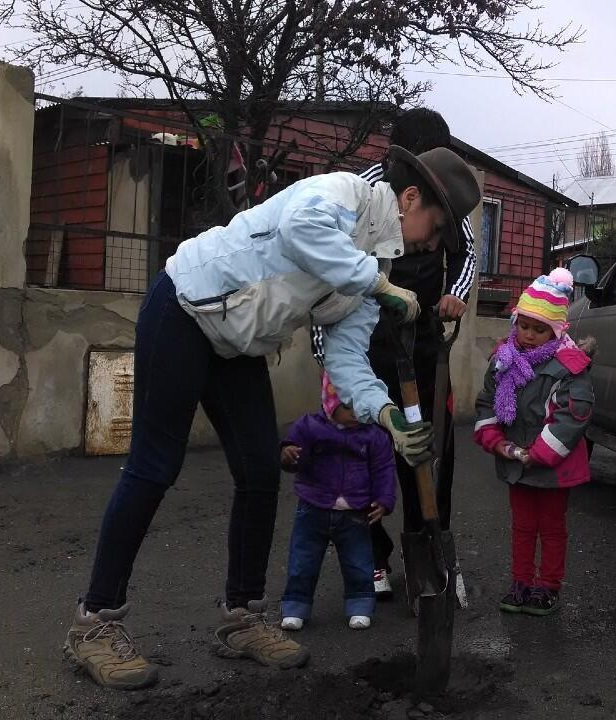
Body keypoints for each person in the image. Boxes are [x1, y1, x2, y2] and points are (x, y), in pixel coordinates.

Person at [62, 145, 481, 690]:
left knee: (261, 472)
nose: (429, 242)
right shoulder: (340, 195)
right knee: (154, 466)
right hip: (185, 307)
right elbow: (302, 229)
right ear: (409, 198)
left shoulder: (373, 270)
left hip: (237, 346)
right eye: (436, 226)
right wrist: (376, 284)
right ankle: (94, 623)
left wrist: (388, 417)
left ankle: (242, 618)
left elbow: (346, 358)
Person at [311, 107, 476, 602]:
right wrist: (334, 369)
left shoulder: (442, 197)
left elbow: (464, 251)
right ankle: (374, 555)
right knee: (362, 452)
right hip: (363, 341)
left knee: (428, 450)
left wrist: (456, 295)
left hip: (423, 337)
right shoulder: (362, 194)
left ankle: (429, 547)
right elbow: (325, 285)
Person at [473, 269, 595, 616]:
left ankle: (548, 586)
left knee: (552, 528)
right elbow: (487, 401)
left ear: (556, 330)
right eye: (524, 325)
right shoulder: (503, 361)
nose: (529, 335)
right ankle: (521, 582)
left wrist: (540, 453)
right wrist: (494, 439)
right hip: (517, 461)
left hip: (553, 465)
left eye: (539, 329)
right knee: (523, 525)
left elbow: (574, 413)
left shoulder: (569, 367)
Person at [277, 374, 396, 631]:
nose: (355, 413)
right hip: (313, 506)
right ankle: (296, 606)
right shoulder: (310, 426)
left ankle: (360, 605)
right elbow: (292, 450)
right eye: (348, 406)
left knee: (358, 562)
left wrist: (384, 500)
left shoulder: (373, 435)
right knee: (303, 560)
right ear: (331, 404)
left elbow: (384, 468)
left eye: (360, 406)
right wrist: (288, 455)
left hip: (355, 511)